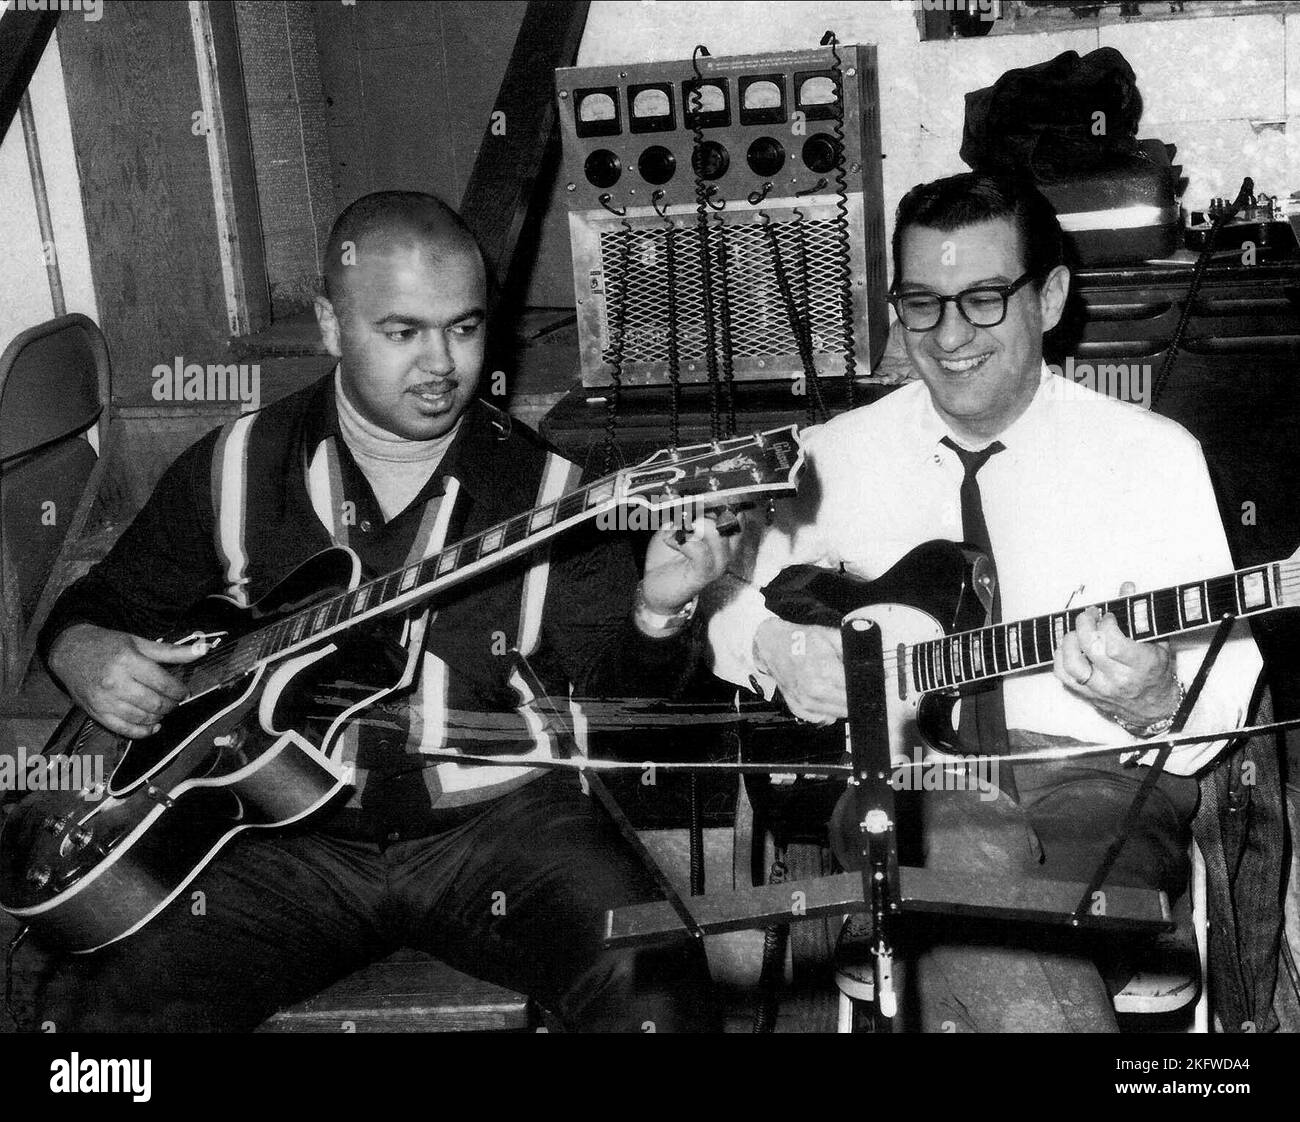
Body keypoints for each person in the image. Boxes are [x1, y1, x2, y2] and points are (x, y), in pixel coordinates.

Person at [27, 191, 733, 1032]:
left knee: (657, 981)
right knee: (94, 1008)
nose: (441, 364)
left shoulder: (556, 494)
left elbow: (621, 711)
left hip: (496, 828)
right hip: (280, 843)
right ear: (330, 324)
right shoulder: (237, 464)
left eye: (464, 329)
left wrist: (658, 614)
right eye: (402, 332)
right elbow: (104, 600)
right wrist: (83, 648)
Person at [706, 172, 1264, 1032]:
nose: (950, 335)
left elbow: (1226, 694)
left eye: (984, 299)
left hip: (1098, 784)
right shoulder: (830, 455)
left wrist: (1153, 697)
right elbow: (722, 596)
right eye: (922, 303)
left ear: (1050, 297)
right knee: (958, 842)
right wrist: (774, 646)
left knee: (969, 897)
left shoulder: (1154, 457)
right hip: (900, 781)